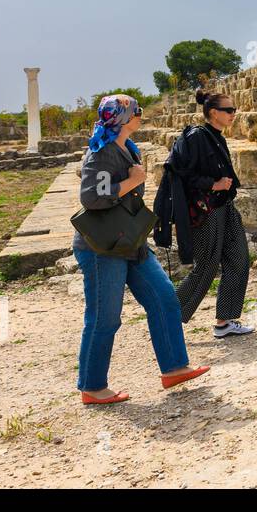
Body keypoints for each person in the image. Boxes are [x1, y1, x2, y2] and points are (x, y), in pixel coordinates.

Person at [74, 94, 209, 405]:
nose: (140, 114)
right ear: (121, 117)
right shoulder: (103, 153)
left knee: (164, 299)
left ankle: (174, 367)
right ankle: (92, 387)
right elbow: (92, 196)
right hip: (102, 247)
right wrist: (133, 181)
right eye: (136, 110)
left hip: (129, 241)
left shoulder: (125, 147)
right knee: (104, 318)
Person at [154, 89, 255, 338]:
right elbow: (181, 172)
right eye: (229, 110)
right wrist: (213, 184)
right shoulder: (197, 137)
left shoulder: (216, 136)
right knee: (206, 267)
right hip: (206, 211)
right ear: (213, 113)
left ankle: (224, 321)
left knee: (239, 258)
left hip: (225, 207)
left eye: (234, 110)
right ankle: (166, 319)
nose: (233, 114)